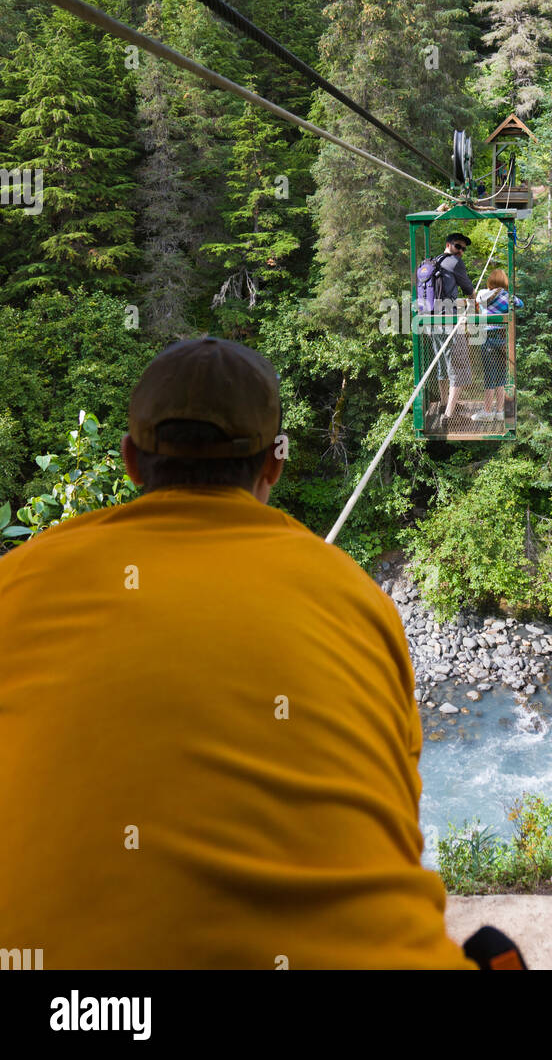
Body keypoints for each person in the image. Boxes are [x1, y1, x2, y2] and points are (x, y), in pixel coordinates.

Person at [0, 337, 480, 970]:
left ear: (130, 461)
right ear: (272, 465)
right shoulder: (358, 600)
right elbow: (395, 814)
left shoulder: (21, 581)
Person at [430, 232, 476, 425]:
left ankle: (443, 403)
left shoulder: (432, 262)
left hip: (431, 321)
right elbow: (469, 290)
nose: (461, 252)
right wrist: (475, 304)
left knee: (442, 362)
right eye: (458, 246)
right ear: (448, 244)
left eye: (464, 249)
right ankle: (449, 415)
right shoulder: (454, 263)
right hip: (448, 320)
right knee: (458, 364)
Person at [471, 268, 523, 424]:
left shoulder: (482, 294)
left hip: (487, 338)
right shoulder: (507, 297)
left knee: (489, 376)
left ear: (490, 281)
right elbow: (520, 304)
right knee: (501, 375)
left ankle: (487, 411)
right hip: (501, 339)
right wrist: (509, 295)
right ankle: (500, 411)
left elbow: (476, 300)